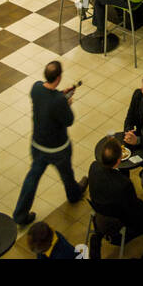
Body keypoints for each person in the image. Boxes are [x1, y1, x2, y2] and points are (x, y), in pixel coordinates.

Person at [12, 61, 89, 227]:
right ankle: (74, 195)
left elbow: (47, 101)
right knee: (67, 174)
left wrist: (61, 94)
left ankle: (20, 214)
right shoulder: (59, 101)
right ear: (59, 77)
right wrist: (66, 102)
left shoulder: (36, 88)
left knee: (32, 177)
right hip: (58, 149)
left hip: (38, 145)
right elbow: (69, 120)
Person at [87, 137, 143, 257]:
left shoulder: (93, 166)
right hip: (119, 222)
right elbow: (136, 212)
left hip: (99, 213)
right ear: (119, 160)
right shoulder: (123, 184)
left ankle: (97, 237)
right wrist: (142, 204)